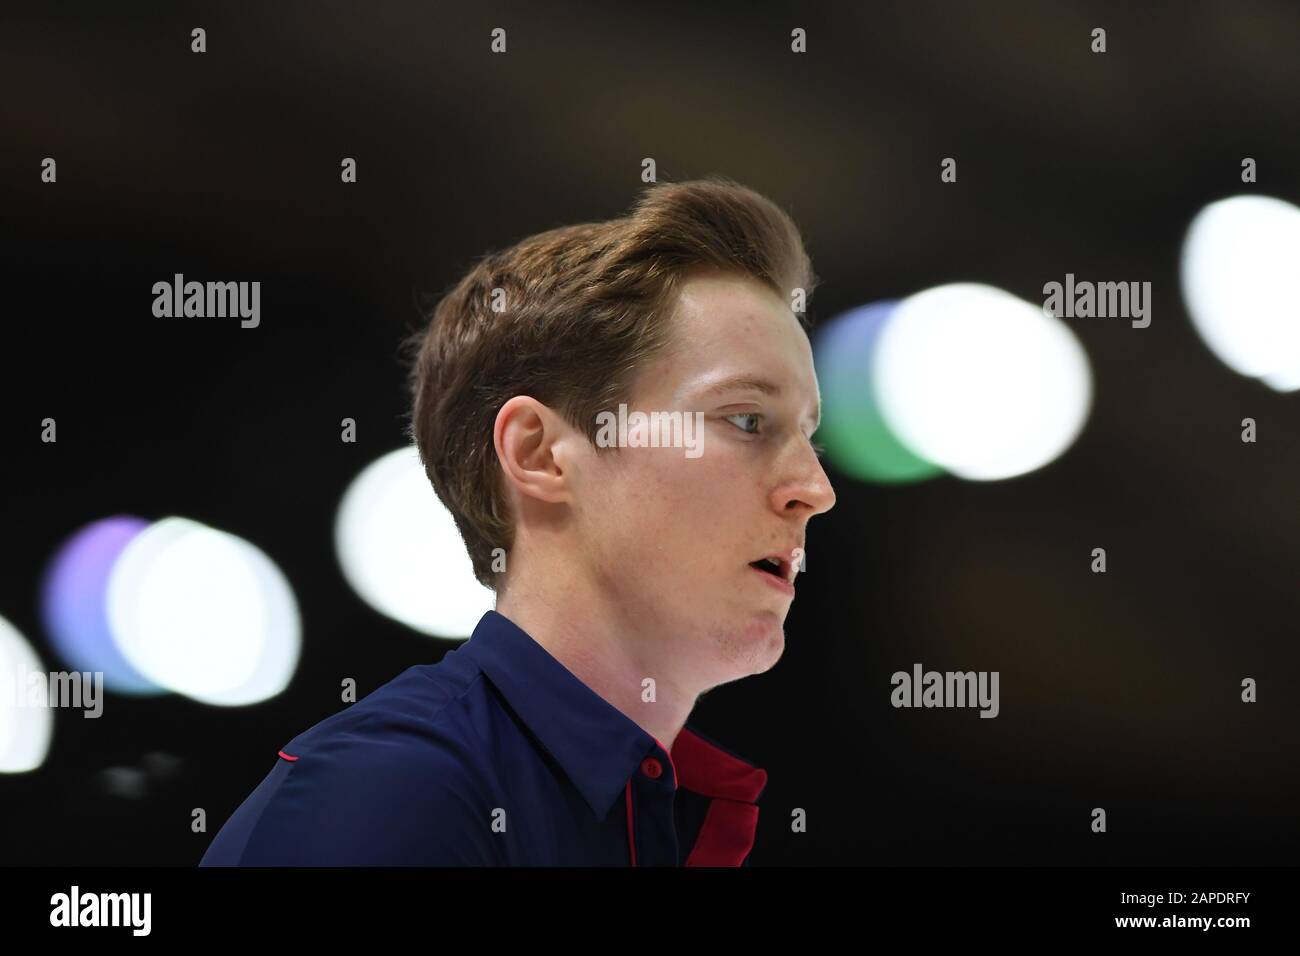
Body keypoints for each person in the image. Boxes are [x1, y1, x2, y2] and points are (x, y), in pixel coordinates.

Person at [199, 176, 836, 866]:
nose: (815, 488)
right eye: (745, 420)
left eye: (809, 436)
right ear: (539, 454)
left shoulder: (655, 817)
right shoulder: (389, 797)